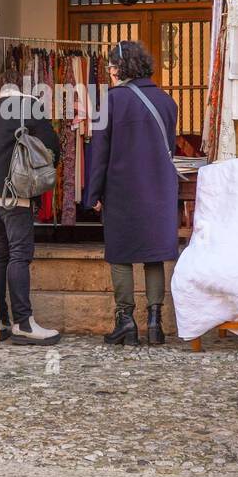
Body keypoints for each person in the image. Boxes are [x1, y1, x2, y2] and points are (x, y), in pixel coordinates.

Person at [83, 40, 180, 346]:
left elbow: (99, 152)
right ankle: (155, 322)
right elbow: (171, 148)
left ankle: (125, 321)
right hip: (160, 187)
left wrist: (93, 194)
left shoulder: (109, 102)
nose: (109, 72)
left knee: (121, 254)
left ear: (120, 68)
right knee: (155, 254)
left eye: (111, 66)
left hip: (122, 187)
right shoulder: (167, 102)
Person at [0, 66, 62, 346]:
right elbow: (51, 145)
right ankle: (24, 322)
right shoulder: (28, 106)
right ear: (22, 86)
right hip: (14, 193)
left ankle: (1, 319)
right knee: (20, 254)